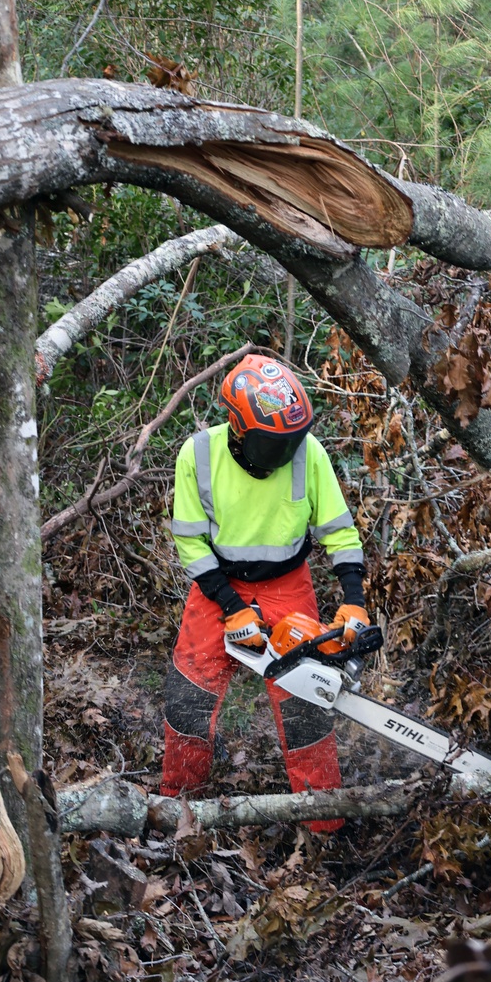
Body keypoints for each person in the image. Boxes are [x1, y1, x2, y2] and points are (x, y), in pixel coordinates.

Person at [162, 354, 369, 831]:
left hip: (288, 584)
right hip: (218, 588)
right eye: (275, 442)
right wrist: (231, 606)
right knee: (189, 691)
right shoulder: (197, 456)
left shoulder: (308, 452)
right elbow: (190, 542)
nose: (287, 451)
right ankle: (179, 807)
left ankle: (324, 820)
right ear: (238, 427)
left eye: (292, 440)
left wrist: (353, 597)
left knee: (307, 701)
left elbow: (339, 532)